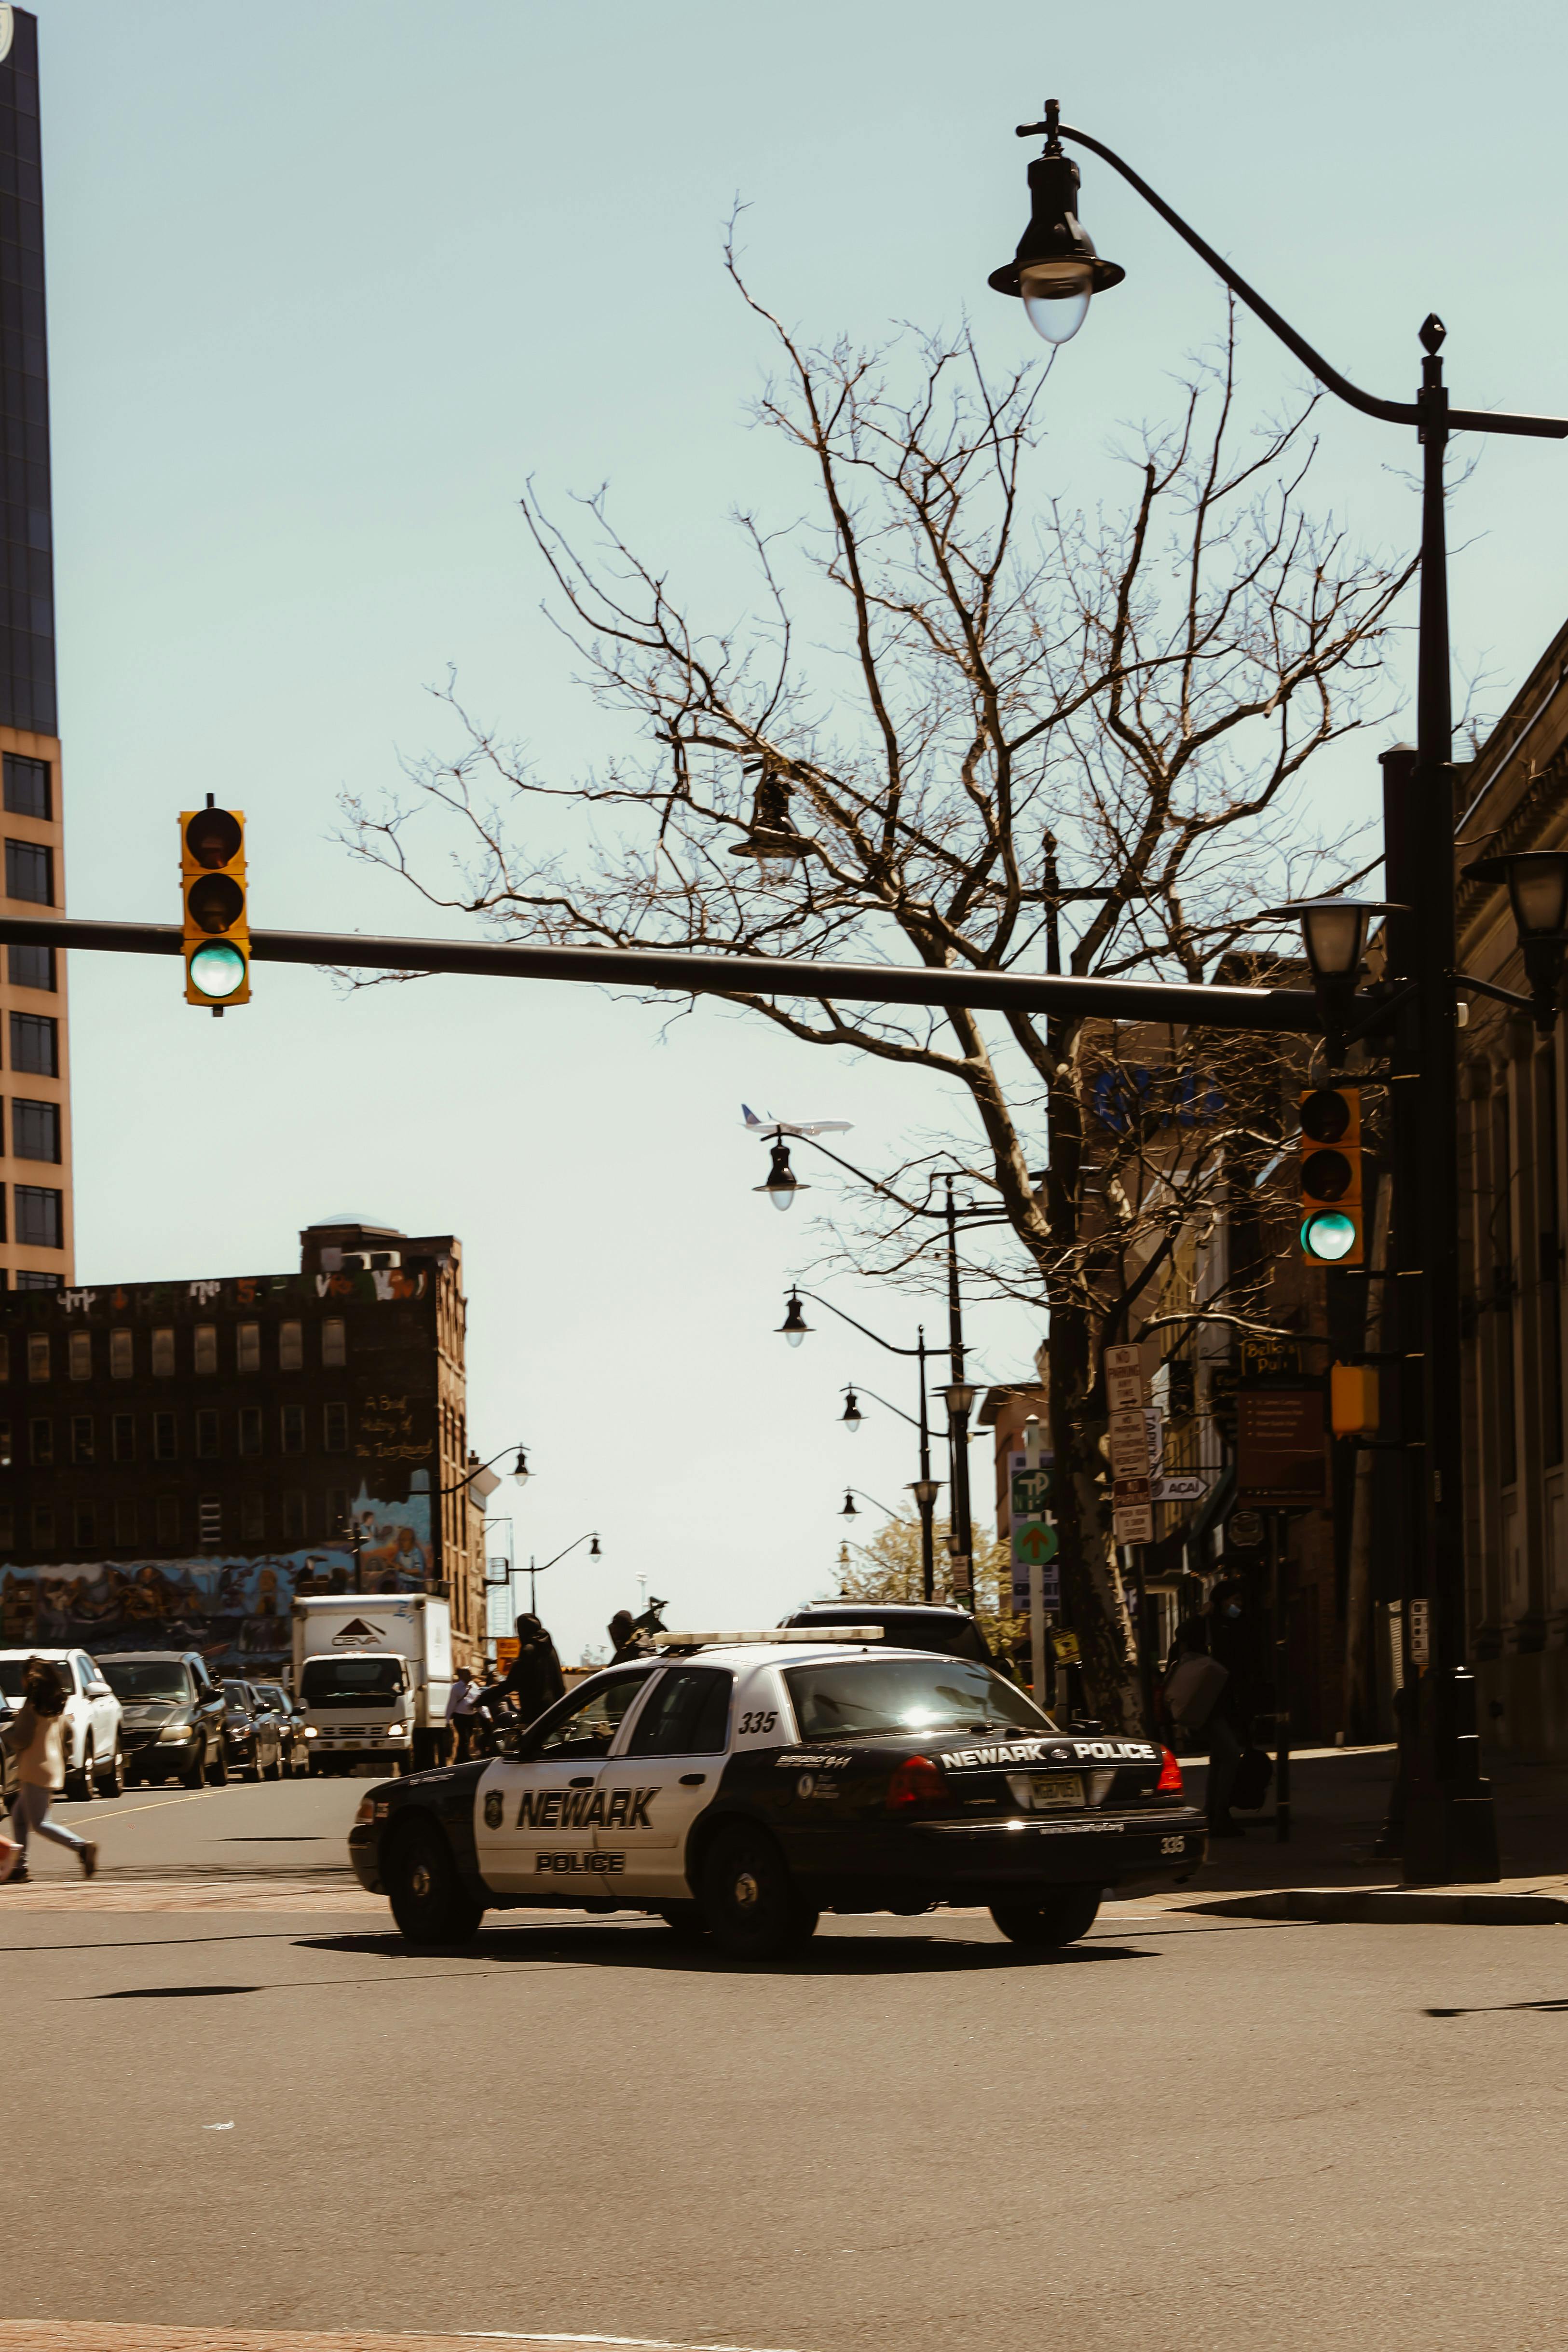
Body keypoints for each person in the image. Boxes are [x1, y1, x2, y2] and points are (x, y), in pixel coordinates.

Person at [2, 1658, 97, 1883]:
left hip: (34, 1769)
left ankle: (82, 1847)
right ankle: (20, 1867)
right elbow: (68, 1735)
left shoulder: (32, 1706)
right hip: (49, 1767)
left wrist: (5, 1733)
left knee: (41, 1823)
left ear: (29, 1679)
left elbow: (21, 1739)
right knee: (19, 1817)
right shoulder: (54, 1705)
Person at [1165, 1617, 1243, 1838]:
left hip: (1209, 1712)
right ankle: (1220, 1814)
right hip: (1212, 1713)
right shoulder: (1204, 1648)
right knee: (1230, 1757)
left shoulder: (1188, 1652)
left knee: (1219, 1760)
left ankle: (1213, 1812)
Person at [477, 1615, 566, 1729]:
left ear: (523, 1631)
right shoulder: (551, 1650)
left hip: (535, 1716)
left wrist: (483, 1699)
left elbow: (511, 1683)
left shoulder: (528, 1651)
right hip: (555, 1713)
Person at [446, 1663, 481, 1763]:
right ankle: (463, 1758)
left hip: (471, 1717)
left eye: (469, 1673)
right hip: (460, 1717)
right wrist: (447, 1720)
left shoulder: (475, 1687)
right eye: (467, 1673)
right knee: (464, 1738)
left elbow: (479, 1703)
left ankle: (460, 1758)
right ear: (462, 1675)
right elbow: (451, 1704)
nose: (469, 1675)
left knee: (468, 1738)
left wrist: (487, 1716)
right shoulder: (456, 1688)